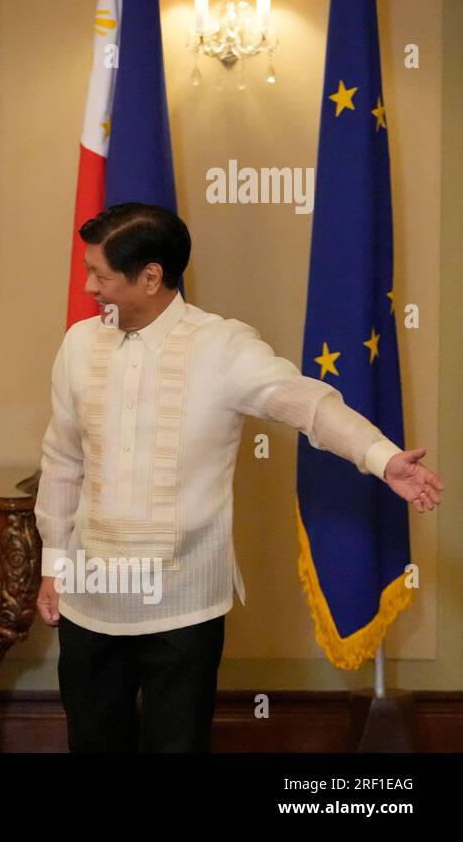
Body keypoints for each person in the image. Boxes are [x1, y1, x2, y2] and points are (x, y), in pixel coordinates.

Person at [36, 203, 444, 752]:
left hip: (183, 602)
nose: (88, 287)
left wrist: (381, 457)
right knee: (92, 744)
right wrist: (53, 566)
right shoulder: (79, 345)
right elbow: (62, 460)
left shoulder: (223, 347)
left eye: (100, 275)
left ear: (151, 276)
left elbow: (311, 406)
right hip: (90, 599)